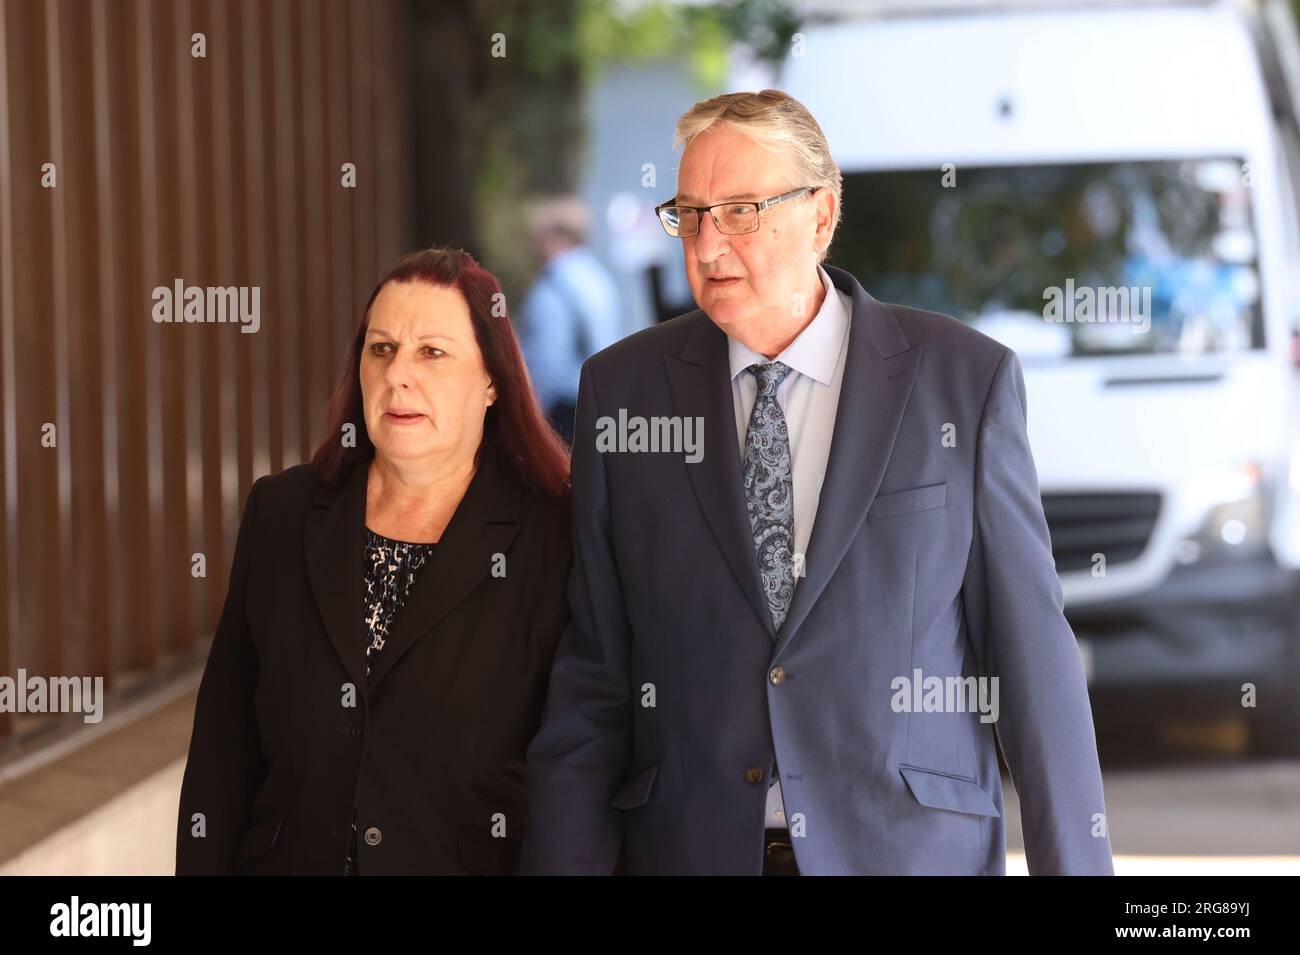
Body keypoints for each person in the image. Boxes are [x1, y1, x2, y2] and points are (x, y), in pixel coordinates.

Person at [522, 90, 1114, 875]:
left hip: (906, 851)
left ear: (821, 215)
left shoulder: (962, 382)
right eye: (690, 214)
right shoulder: (623, 392)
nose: (706, 245)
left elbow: (1032, 660)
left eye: (739, 211)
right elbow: (596, 676)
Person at [176, 247, 572, 874]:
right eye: (381, 349)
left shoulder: (557, 534)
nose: (398, 376)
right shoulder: (281, 513)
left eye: (432, 353)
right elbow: (224, 751)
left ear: (493, 379)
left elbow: (580, 766)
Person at [517, 197, 622, 442]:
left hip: (565, 410)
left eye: (540, 233)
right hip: (573, 407)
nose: (535, 242)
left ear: (557, 235)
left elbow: (594, 346)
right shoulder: (589, 276)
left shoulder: (567, 279)